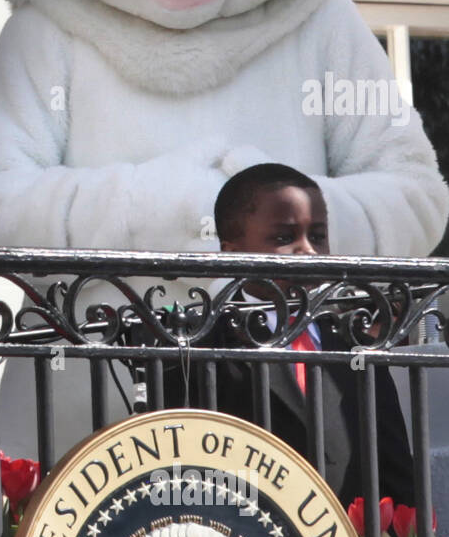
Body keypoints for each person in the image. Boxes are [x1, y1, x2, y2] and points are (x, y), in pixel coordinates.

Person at [175, 163, 415, 507]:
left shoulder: (352, 340)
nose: (308, 251)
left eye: (317, 235)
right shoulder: (205, 345)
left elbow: (394, 467)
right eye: (284, 238)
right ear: (232, 253)